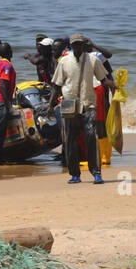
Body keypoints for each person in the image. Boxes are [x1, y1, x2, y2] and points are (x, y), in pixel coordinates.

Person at [51, 33, 103, 184]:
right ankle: (74, 174)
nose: (77, 46)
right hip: (69, 104)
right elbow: (57, 85)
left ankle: (97, 173)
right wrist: (50, 105)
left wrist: (114, 87)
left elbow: (103, 79)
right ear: (71, 46)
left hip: (88, 104)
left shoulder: (93, 60)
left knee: (91, 137)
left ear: (83, 45)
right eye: (74, 44)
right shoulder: (64, 61)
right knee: (70, 140)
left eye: (79, 44)